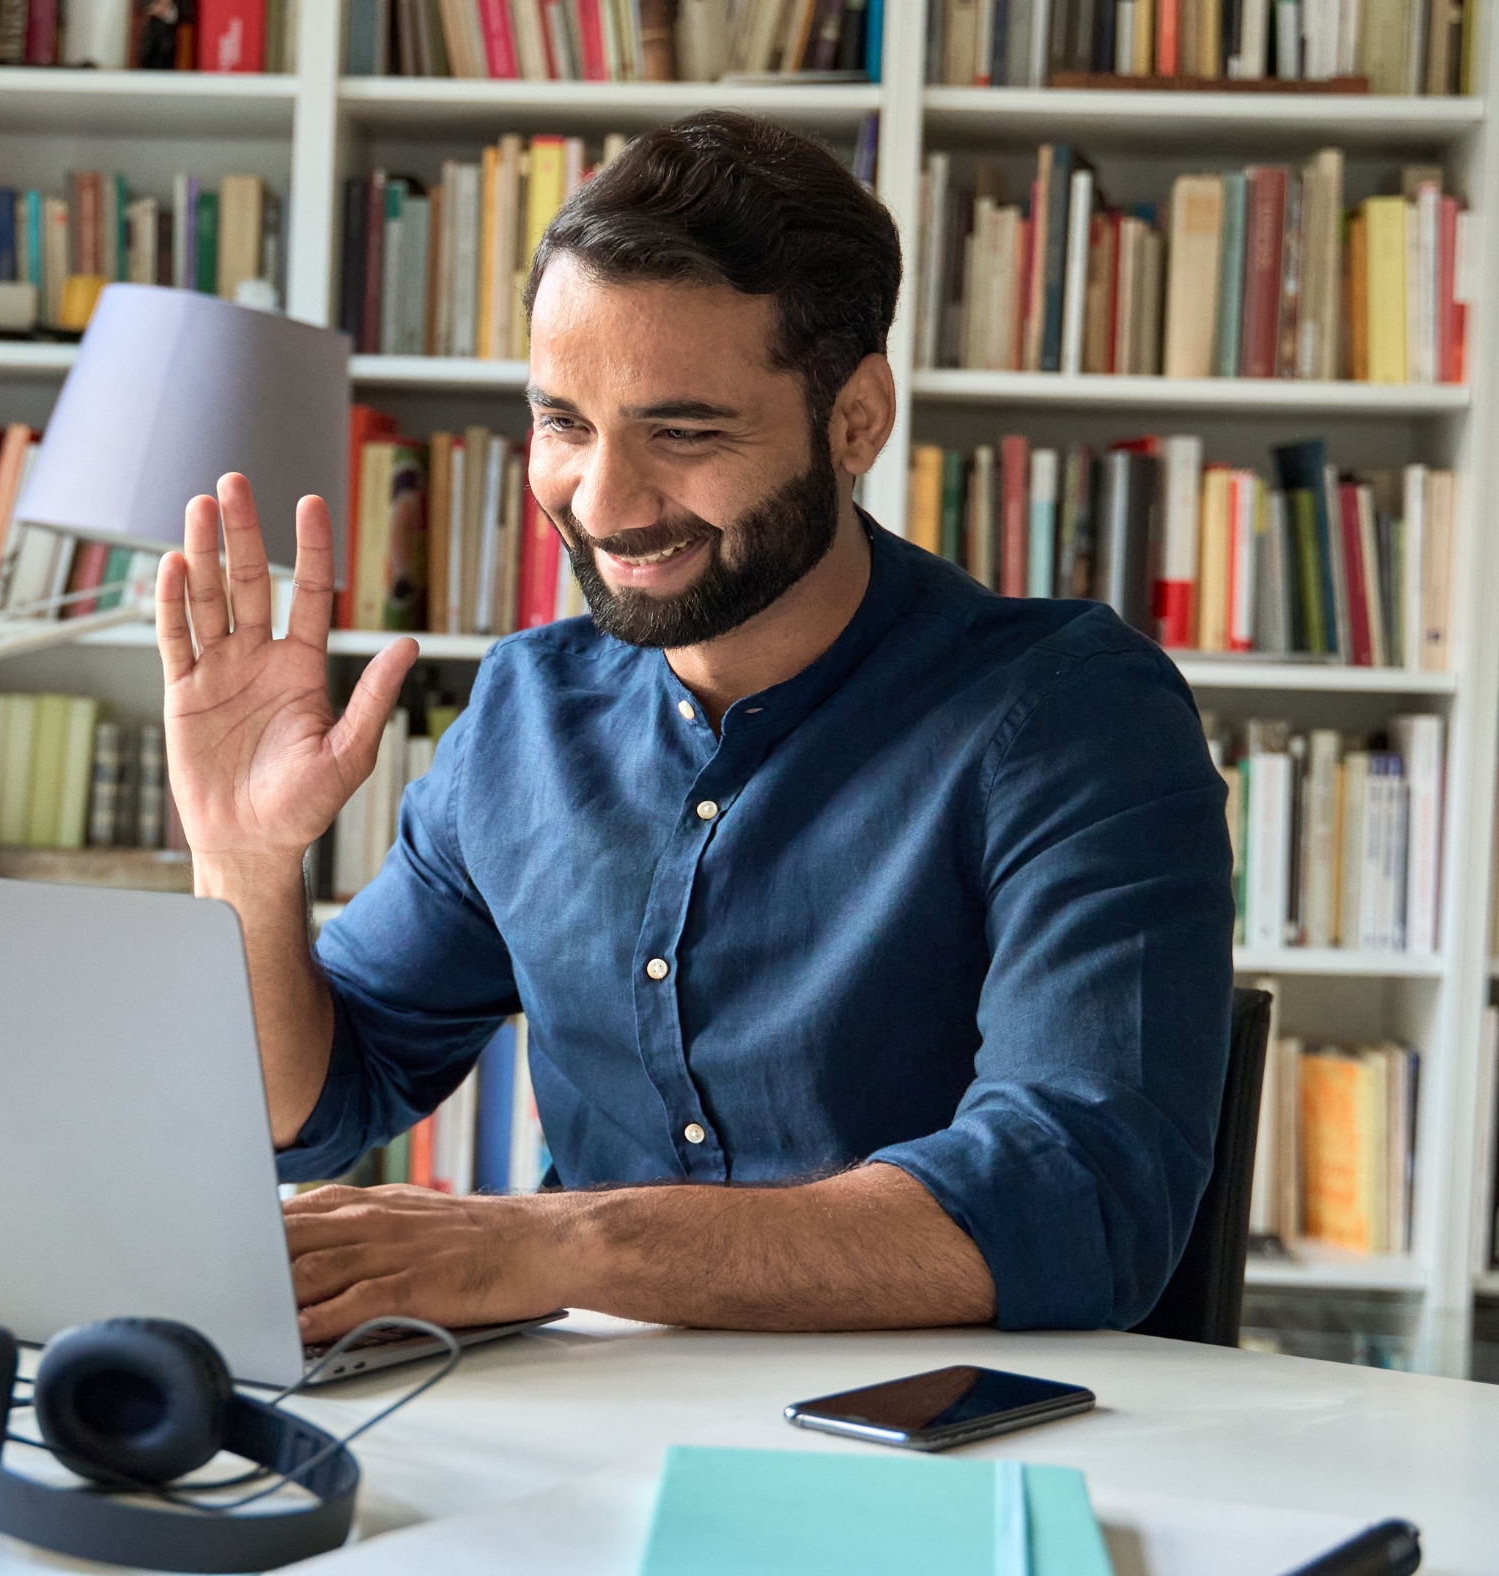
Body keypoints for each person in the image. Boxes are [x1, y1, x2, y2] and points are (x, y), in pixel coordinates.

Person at [155, 112, 1233, 1347]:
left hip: (938, 1428)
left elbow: (1080, 1199)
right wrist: (242, 863)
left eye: (683, 432)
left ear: (855, 420)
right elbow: (320, 1104)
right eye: (563, 422)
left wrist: (552, 1243)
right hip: (588, 1417)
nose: (602, 503)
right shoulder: (521, 711)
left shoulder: (1068, 713)